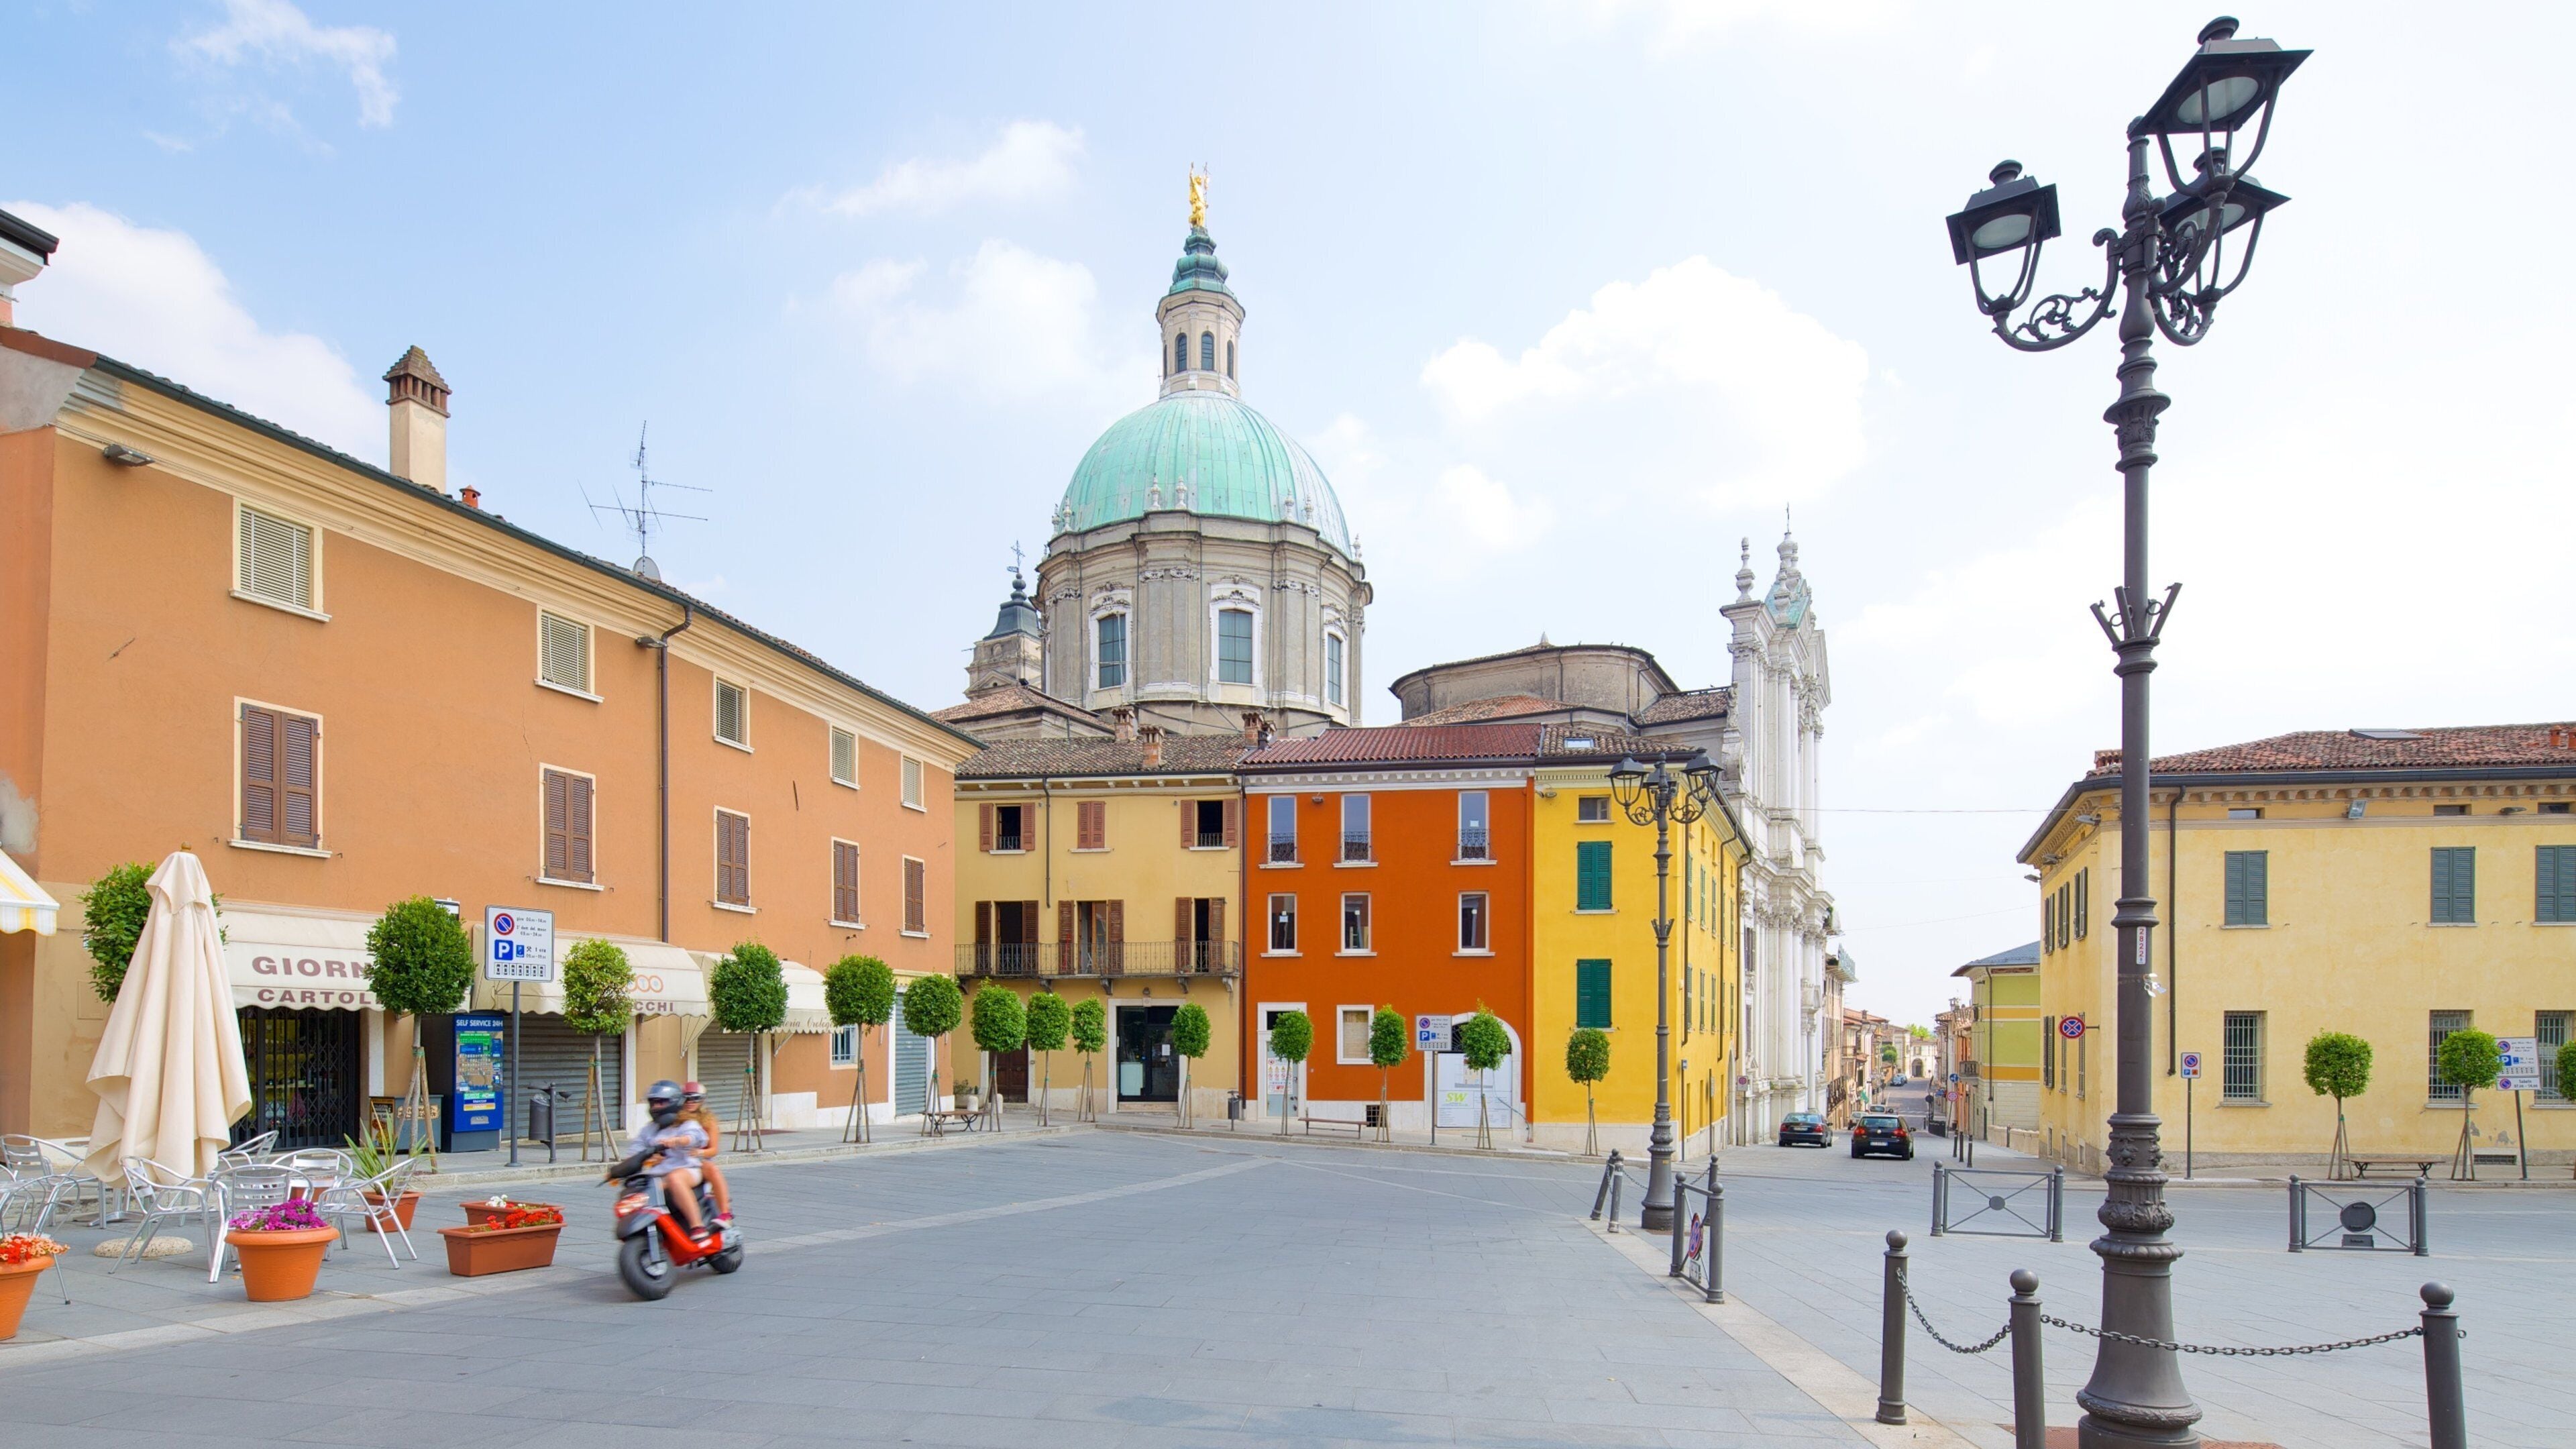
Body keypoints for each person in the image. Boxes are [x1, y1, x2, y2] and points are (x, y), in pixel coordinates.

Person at [624, 1079, 712, 1242]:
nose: (656, 1107)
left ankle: (697, 1226)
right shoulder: (649, 1129)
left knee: (675, 1179)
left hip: (688, 1170)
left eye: (661, 1102)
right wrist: (623, 1167)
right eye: (653, 1103)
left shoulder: (686, 1124)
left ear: (674, 1102)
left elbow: (696, 1137)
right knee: (637, 1192)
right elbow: (635, 1149)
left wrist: (679, 1141)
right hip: (659, 1176)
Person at [680, 1081, 733, 1226]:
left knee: (712, 1169)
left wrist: (699, 1152)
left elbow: (714, 1150)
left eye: (695, 1098)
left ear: (702, 1100)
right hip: (677, 1161)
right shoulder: (675, 1119)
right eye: (686, 1098)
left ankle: (725, 1213)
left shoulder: (708, 1120)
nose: (690, 1102)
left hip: (698, 1162)